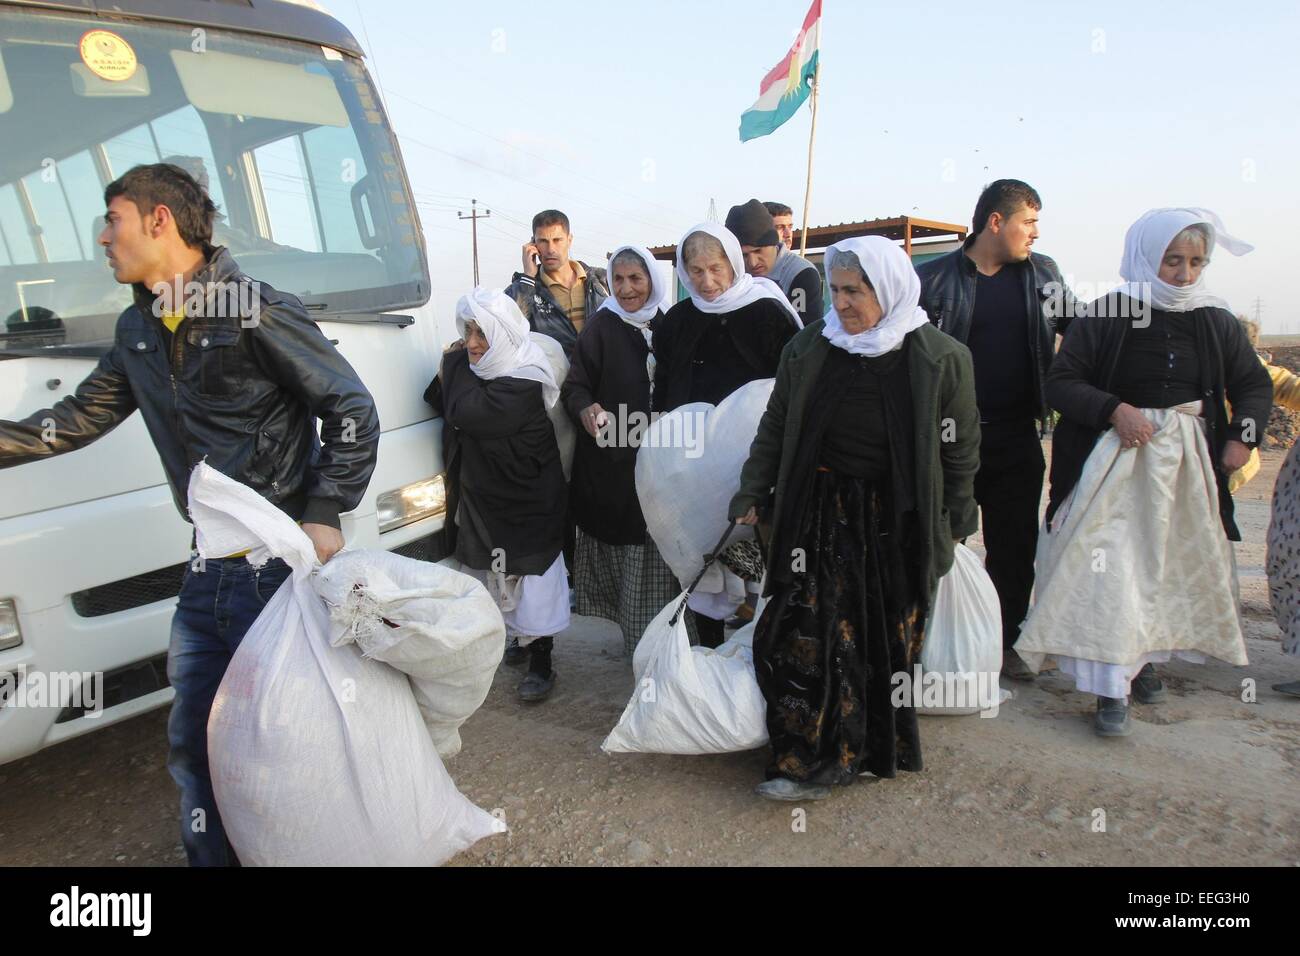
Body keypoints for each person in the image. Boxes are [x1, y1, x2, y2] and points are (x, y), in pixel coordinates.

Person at [0, 163, 379, 865]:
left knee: (290, 738)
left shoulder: (253, 306)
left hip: (276, 568)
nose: (103, 239)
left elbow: (351, 407)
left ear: (159, 221)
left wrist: (325, 508)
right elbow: (76, 419)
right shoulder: (137, 327)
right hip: (208, 571)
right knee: (200, 740)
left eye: (112, 220)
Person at [730, 236, 980, 801]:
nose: (839, 304)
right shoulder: (808, 349)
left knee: (879, 642)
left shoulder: (939, 359)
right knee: (805, 633)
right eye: (835, 290)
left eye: (853, 291)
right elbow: (775, 427)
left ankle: (862, 750)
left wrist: (957, 526)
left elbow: (960, 453)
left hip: (898, 523)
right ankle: (805, 756)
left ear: (887, 289)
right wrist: (752, 489)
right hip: (816, 515)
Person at [1017, 208, 1271, 736]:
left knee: (1158, 570)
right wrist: (1115, 410)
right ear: (1146, 256)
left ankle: (1141, 660)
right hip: (1111, 465)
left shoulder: (1214, 317)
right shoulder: (1109, 312)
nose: (1183, 274)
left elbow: (1252, 384)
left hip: (1184, 469)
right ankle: (1112, 690)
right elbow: (1062, 382)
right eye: (1172, 260)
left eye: (1195, 262)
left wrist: (1241, 437)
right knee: (1109, 573)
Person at [916, 179, 1073, 682]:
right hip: (946, 440)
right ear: (996, 222)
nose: (1036, 234)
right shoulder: (933, 280)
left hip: (1015, 434)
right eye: (1029, 222)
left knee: (1013, 547)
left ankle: (1002, 644)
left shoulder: (1042, 275)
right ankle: (934, 642)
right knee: (941, 541)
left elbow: (1083, 332)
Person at [653, 222, 802, 647]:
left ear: (734, 263)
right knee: (705, 557)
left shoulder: (767, 312)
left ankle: (766, 647)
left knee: (763, 559)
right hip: (693, 466)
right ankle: (710, 646)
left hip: (753, 463)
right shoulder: (678, 321)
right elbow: (663, 391)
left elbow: (788, 389)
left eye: (716, 268)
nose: (708, 281)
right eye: (695, 271)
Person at [425, 288, 569, 702]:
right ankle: (515, 641)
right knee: (494, 574)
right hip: (485, 494)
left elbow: (467, 413)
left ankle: (542, 659)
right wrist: (457, 369)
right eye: (467, 333)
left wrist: (451, 362)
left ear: (504, 336)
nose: (471, 345)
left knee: (532, 576)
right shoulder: (482, 370)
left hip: (527, 498)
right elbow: (438, 399)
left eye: (482, 335)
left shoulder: (523, 377)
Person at [560, 245, 679, 655]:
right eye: (619, 279)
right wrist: (586, 408)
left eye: (636, 278)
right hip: (614, 464)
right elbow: (574, 386)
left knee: (661, 549)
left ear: (653, 281)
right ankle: (640, 649)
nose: (626, 288)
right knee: (631, 550)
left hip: (663, 461)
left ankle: (666, 646)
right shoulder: (600, 328)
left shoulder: (670, 325)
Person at [506, 209, 610, 360]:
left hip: (604, 379)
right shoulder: (525, 289)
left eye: (557, 240)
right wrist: (528, 277)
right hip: (557, 381)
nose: (550, 249)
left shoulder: (602, 281)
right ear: (533, 244)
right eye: (543, 241)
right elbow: (509, 331)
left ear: (569, 240)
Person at [726, 198, 823, 325]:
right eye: (744, 255)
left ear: (773, 243)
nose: (753, 262)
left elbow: (805, 334)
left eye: (758, 251)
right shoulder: (729, 272)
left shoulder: (801, 273)